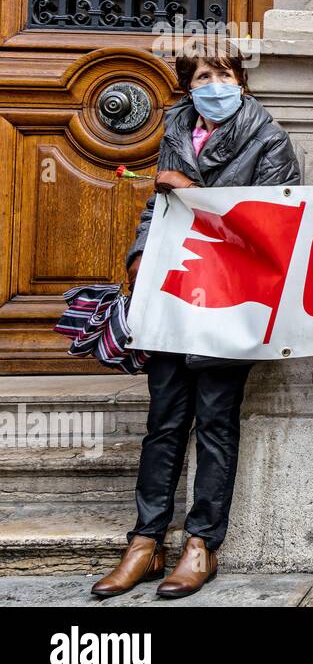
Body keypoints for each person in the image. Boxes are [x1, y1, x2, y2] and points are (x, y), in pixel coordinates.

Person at [92, 40, 301, 600]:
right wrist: (139, 255)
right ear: (187, 84)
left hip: (229, 300)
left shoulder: (270, 139)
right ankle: (145, 541)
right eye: (203, 74)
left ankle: (202, 543)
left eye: (225, 73)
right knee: (163, 421)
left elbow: (271, 225)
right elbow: (155, 208)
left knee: (214, 423)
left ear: (241, 81)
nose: (214, 83)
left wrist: (197, 191)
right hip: (171, 293)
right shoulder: (178, 127)